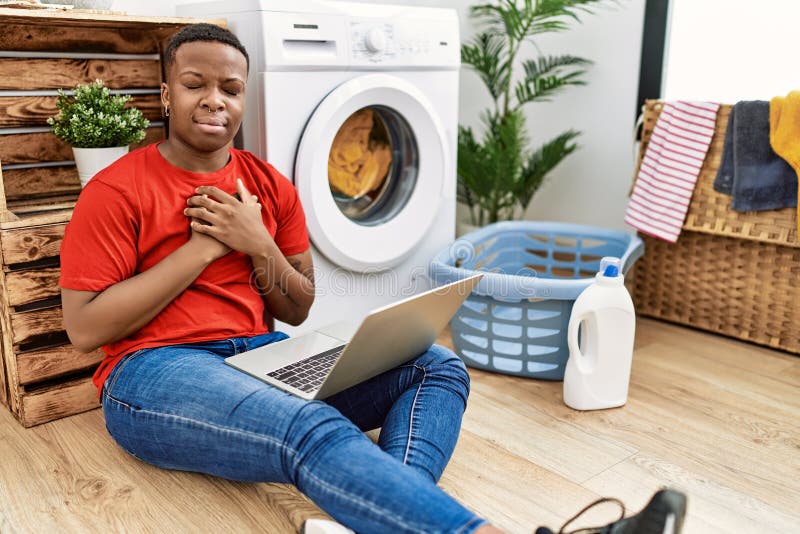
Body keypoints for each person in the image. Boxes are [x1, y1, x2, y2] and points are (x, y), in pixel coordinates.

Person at [59, 24, 687, 534]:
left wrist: (256, 243)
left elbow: (299, 307)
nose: (215, 100)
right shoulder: (118, 189)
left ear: (244, 98)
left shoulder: (271, 187)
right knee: (310, 429)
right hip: (153, 375)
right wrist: (201, 249)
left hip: (262, 357)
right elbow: (85, 328)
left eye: (231, 87)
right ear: (166, 93)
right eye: (195, 84)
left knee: (438, 365)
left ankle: (374, 520)